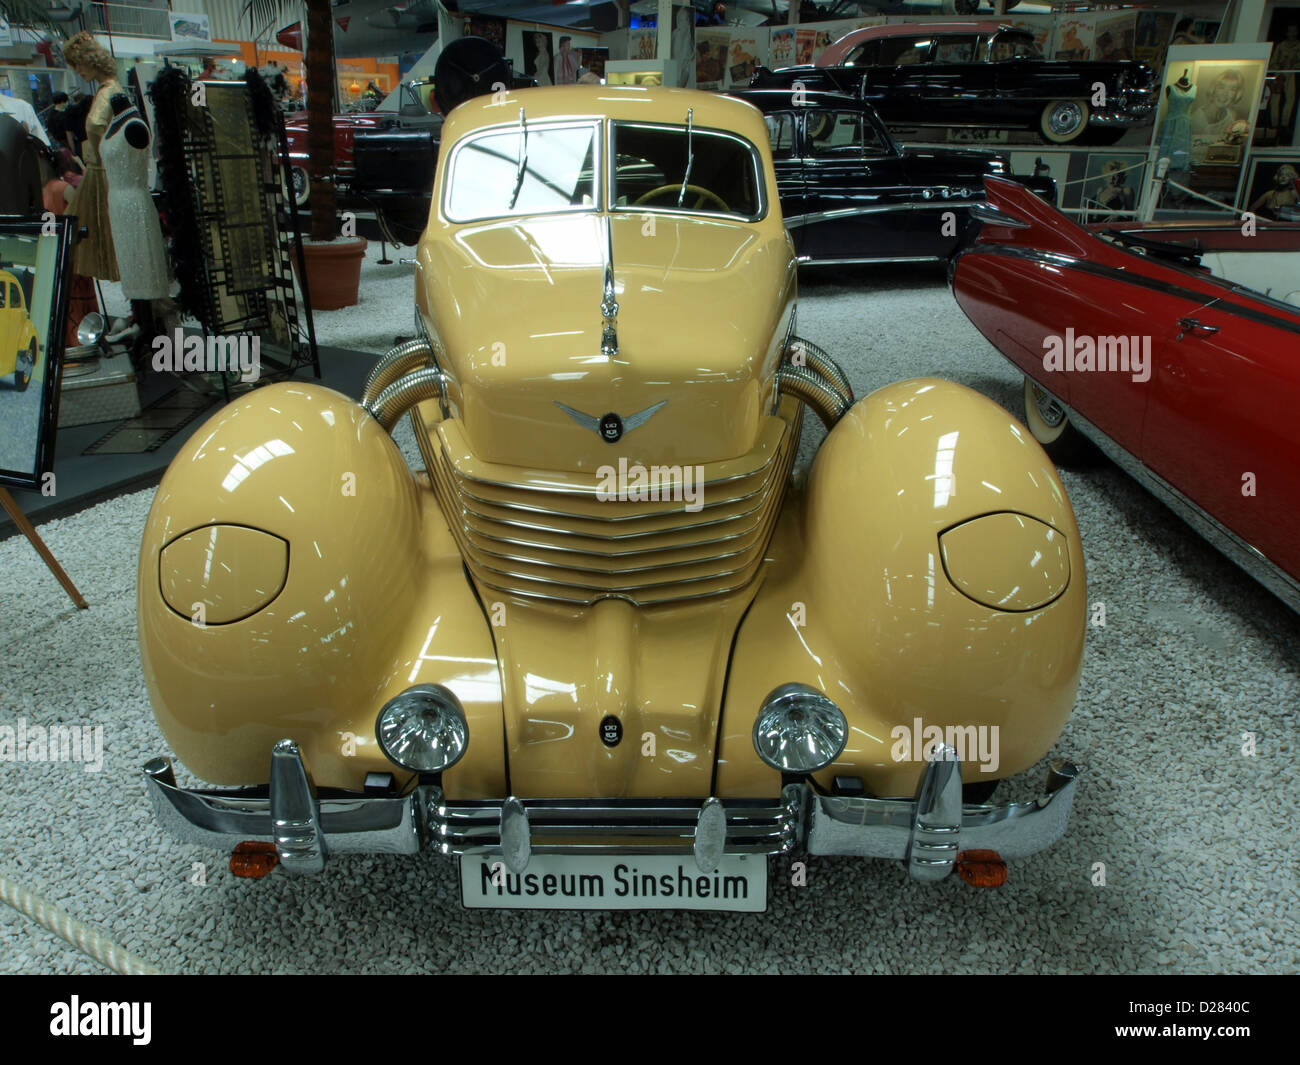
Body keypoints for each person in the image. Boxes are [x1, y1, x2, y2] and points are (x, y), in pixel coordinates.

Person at [62, 31, 123, 282]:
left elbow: (97, 125)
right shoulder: (108, 90)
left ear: (90, 59)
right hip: (103, 174)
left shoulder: (108, 92)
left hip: (104, 176)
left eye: (79, 64)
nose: (77, 71)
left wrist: (99, 155)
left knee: (110, 243)